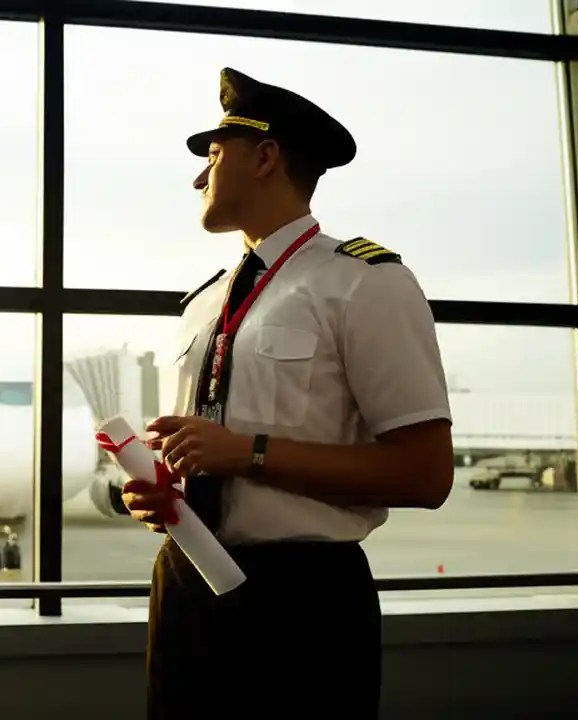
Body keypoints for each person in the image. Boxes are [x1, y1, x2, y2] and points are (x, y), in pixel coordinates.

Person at [122, 67, 455, 718]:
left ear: (265, 157)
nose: (198, 177)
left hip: (303, 601)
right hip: (186, 578)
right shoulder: (205, 304)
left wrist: (245, 452)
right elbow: (208, 449)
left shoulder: (364, 283)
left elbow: (426, 474)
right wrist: (165, 491)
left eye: (213, 155)